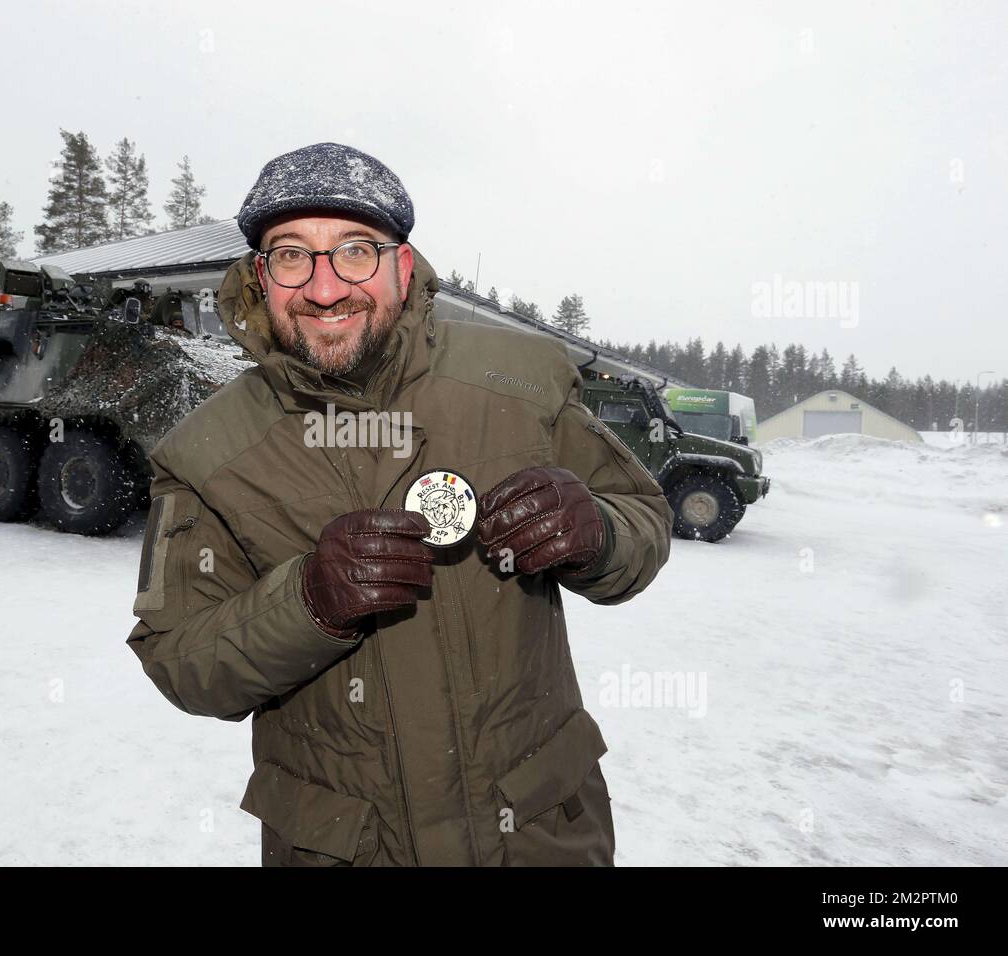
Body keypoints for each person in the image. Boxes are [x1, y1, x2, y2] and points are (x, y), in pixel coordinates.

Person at [127, 142, 672, 866]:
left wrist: (598, 532)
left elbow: (644, 516)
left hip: (536, 831)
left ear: (402, 266)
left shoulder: (523, 382)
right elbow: (181, 661)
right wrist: (307, 603)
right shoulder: (205, 454)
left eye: (356, 251)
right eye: (292, 256)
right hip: (346, 846)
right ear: (260, 277)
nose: (324, 289)